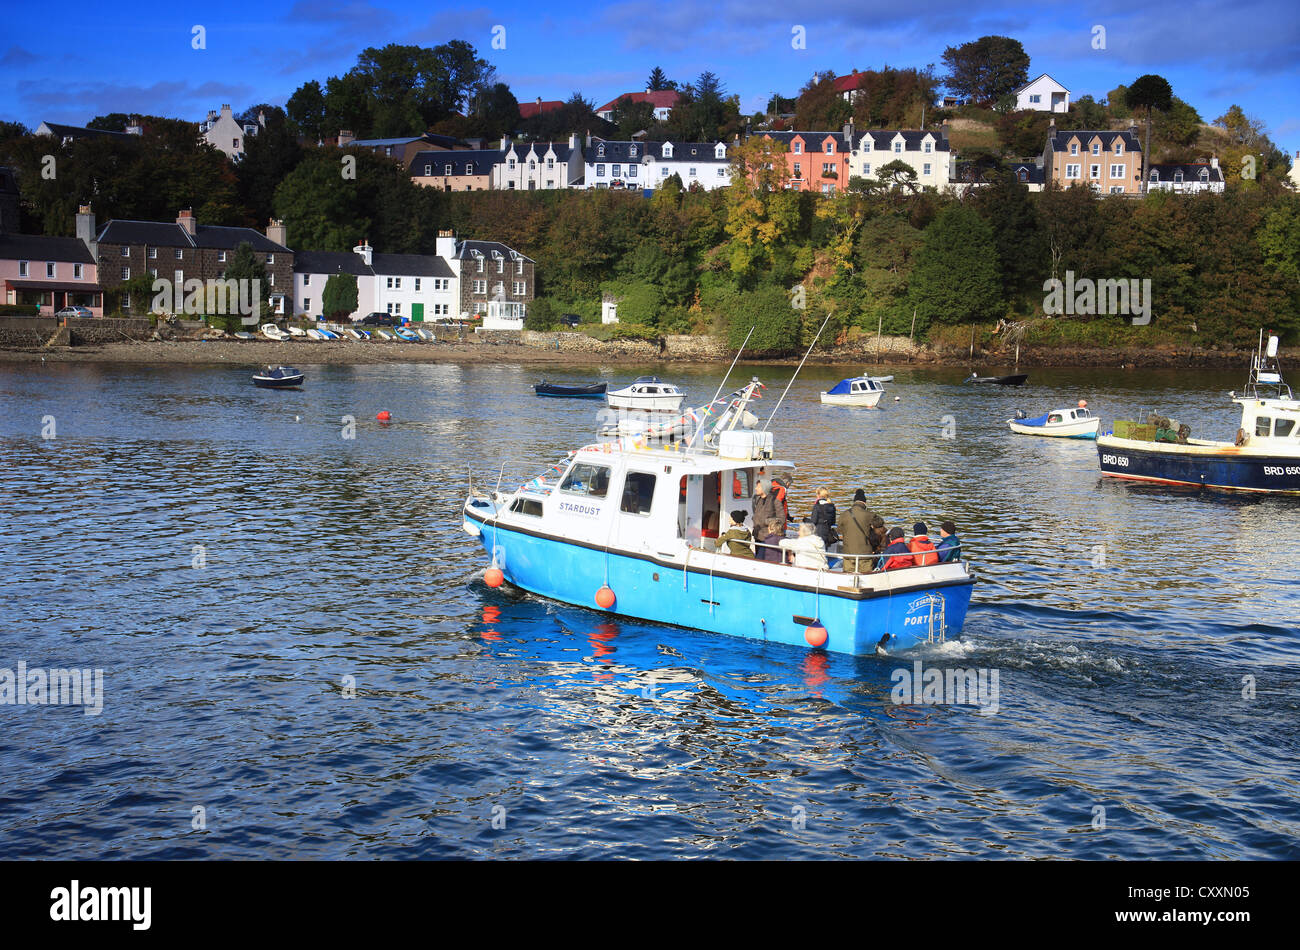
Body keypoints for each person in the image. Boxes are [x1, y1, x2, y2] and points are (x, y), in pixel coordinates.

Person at [838, 489, 876, 573]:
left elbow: (839, 530)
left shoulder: (844, 514)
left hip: (848, 553)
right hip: (865, 554)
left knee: (848, 576)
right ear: (864, 503)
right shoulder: (869, 515)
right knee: (866, 576)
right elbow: (880, 522)